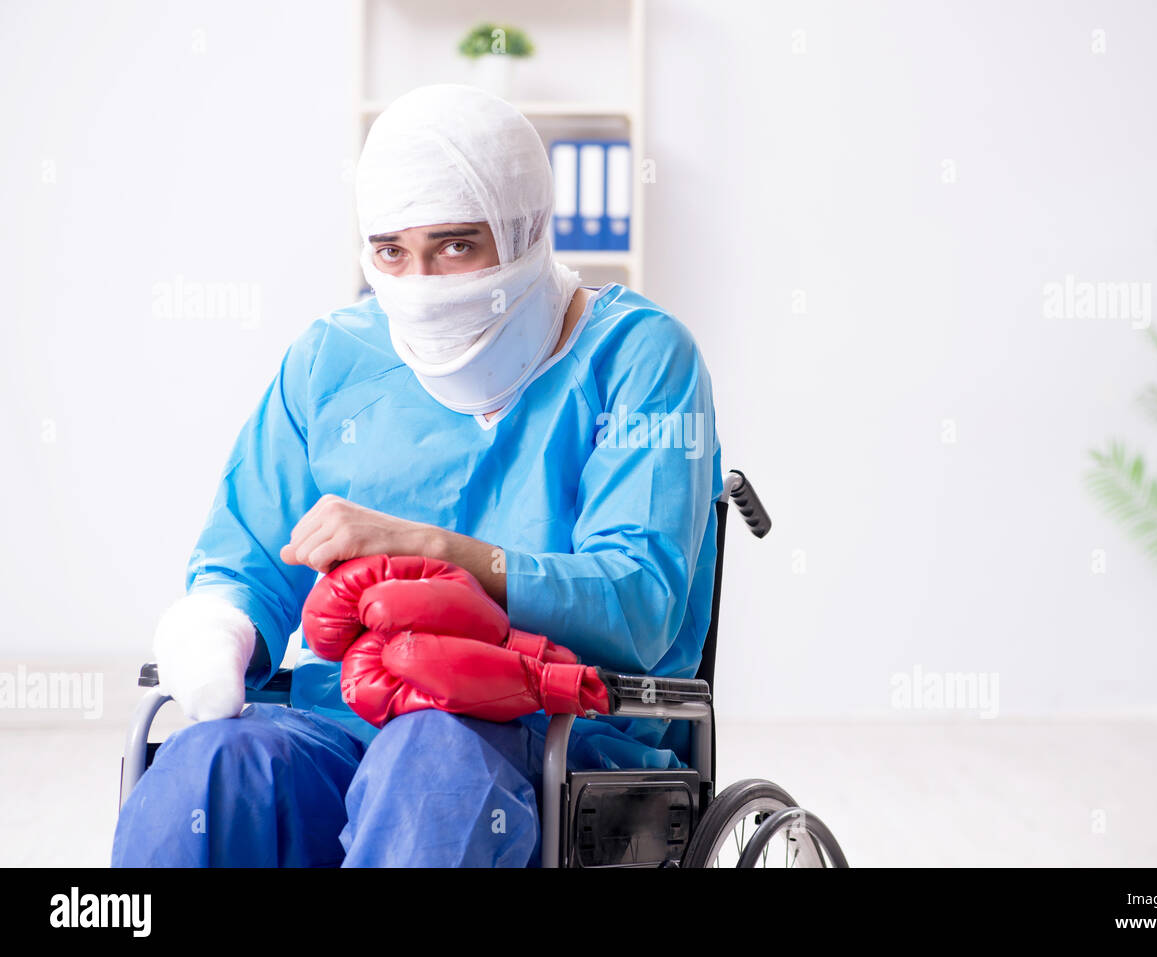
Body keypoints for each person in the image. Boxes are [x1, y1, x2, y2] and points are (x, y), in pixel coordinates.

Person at [111, 84, 723, 867]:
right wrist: (217, 633)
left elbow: (637, 605)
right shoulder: (333, 359)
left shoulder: (640, 357)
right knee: (210, 769)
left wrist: (435, 549)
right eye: (392, 251)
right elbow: (246, 558)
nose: (424, 282)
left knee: (428, 767)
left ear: (529, 230)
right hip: (343, 720)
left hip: (550, 737)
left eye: (458, 246)